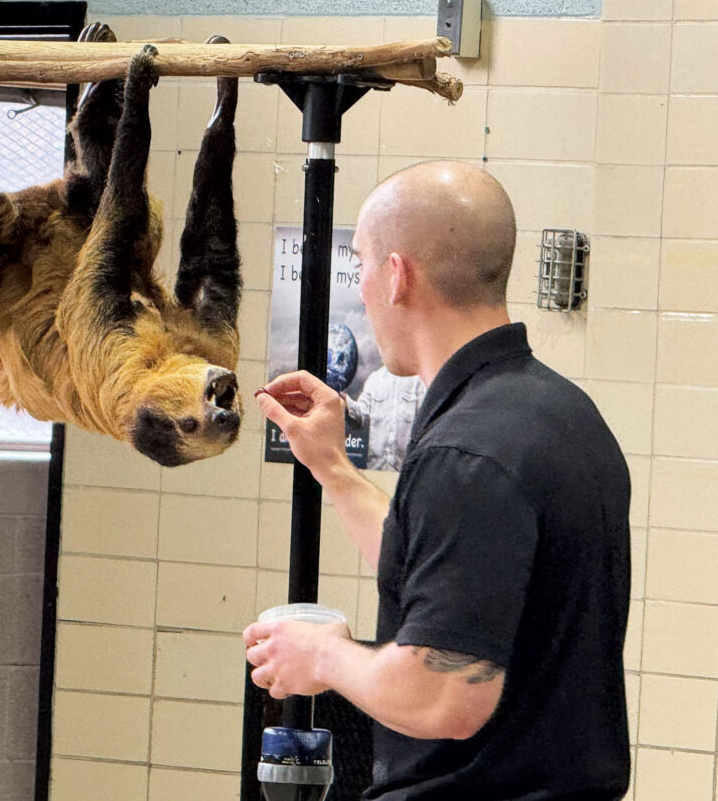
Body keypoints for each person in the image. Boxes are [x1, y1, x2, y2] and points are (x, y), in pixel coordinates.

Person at [244, 160, 631, 800]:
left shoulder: (466, 451)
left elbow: (447, 696)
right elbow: (453, 576)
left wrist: (323, 656)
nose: (361, 289)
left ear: (397, 275)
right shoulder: (558, 414)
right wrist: (332, 469)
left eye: (362, 264)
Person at [343, 365, 427, 472]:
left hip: (404, 470)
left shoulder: (417, 381)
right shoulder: (374, 379)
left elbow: (424, 422)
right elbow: (361, 416)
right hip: (376, 468)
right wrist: (345, 401)